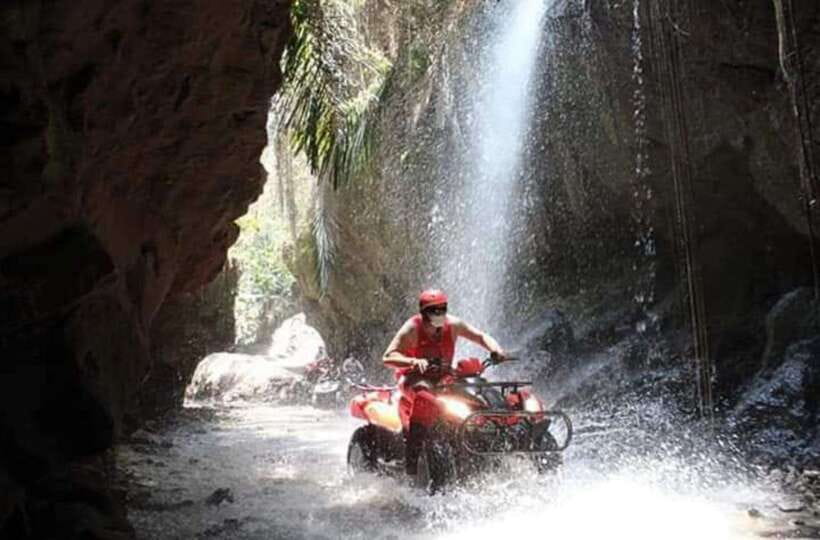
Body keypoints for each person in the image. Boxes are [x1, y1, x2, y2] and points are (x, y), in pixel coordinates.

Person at [382, 288, 506, 476]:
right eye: (434, 310)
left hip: (444, 379)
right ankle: (412, 458)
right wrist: (413, 361)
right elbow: (388, 357)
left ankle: (487, 438)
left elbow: (481, 336)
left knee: (476, 396)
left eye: (442, 308)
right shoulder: (412, 328)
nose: (439, 313)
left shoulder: (453, 325)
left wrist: (495, 349)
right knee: (423, 397)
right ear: (424, 312)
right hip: (414, 378)